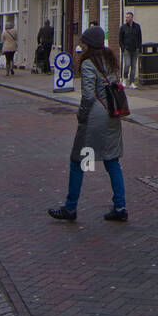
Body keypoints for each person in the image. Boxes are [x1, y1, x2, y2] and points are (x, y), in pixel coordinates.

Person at [48, 25, 127, 224]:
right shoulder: (109, 60)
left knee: (79, 162)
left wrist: (81, 116)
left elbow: (89, 96)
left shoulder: (88, 64)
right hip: (112, 115)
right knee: (112, 160)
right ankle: (120, 206)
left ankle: (70, 207)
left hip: (95, 119)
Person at [119, 11, 142, 89]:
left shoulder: (137, 27)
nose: (127, 18)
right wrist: (123, 47)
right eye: (126, 17)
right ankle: (125, 79)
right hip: (127, 49)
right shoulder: (123, 27)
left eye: (128, 17)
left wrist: (138, 47)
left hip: (135, 49)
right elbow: (120, 39)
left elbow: (139, 37)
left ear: (132, 17)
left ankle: (132, 82)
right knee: (127, 64)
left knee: (133, 66)